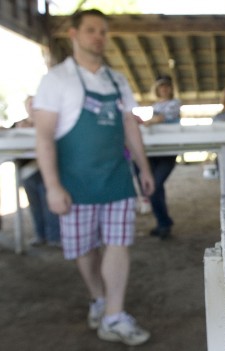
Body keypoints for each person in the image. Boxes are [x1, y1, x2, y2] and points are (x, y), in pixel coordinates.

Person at [33, 9, 154, 346]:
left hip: (116, 177)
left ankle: (114, 315)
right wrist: (53, 186)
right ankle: (99, 298)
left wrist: (143, 169)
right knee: (84, 251)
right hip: (75, 183)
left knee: (119, 245)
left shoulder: (117, 80)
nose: (98, 37)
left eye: (103, 31)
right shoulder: (56, 80)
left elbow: (130, 126)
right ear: (74, 34)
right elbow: (44, 137)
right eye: (91, 30)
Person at [141, 75, 180, 240]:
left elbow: (162, 118)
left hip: (168, 151)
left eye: (166, 86)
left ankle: (164, 222)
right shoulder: (155, 105)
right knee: (156, 188)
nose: (164, 89)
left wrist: (151, 121)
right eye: (161, 86)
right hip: (153, 151)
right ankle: (162, 224)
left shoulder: (175, 104)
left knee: (155, 186)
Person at [19, 95, 61, 247]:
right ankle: (40, 234)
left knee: (48, 201)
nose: (32, 107)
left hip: (45, 169)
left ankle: (54, 236)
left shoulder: (49, 123)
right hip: (27, 171)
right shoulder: (20, 124)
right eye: (29, 104)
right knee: (34, 204)